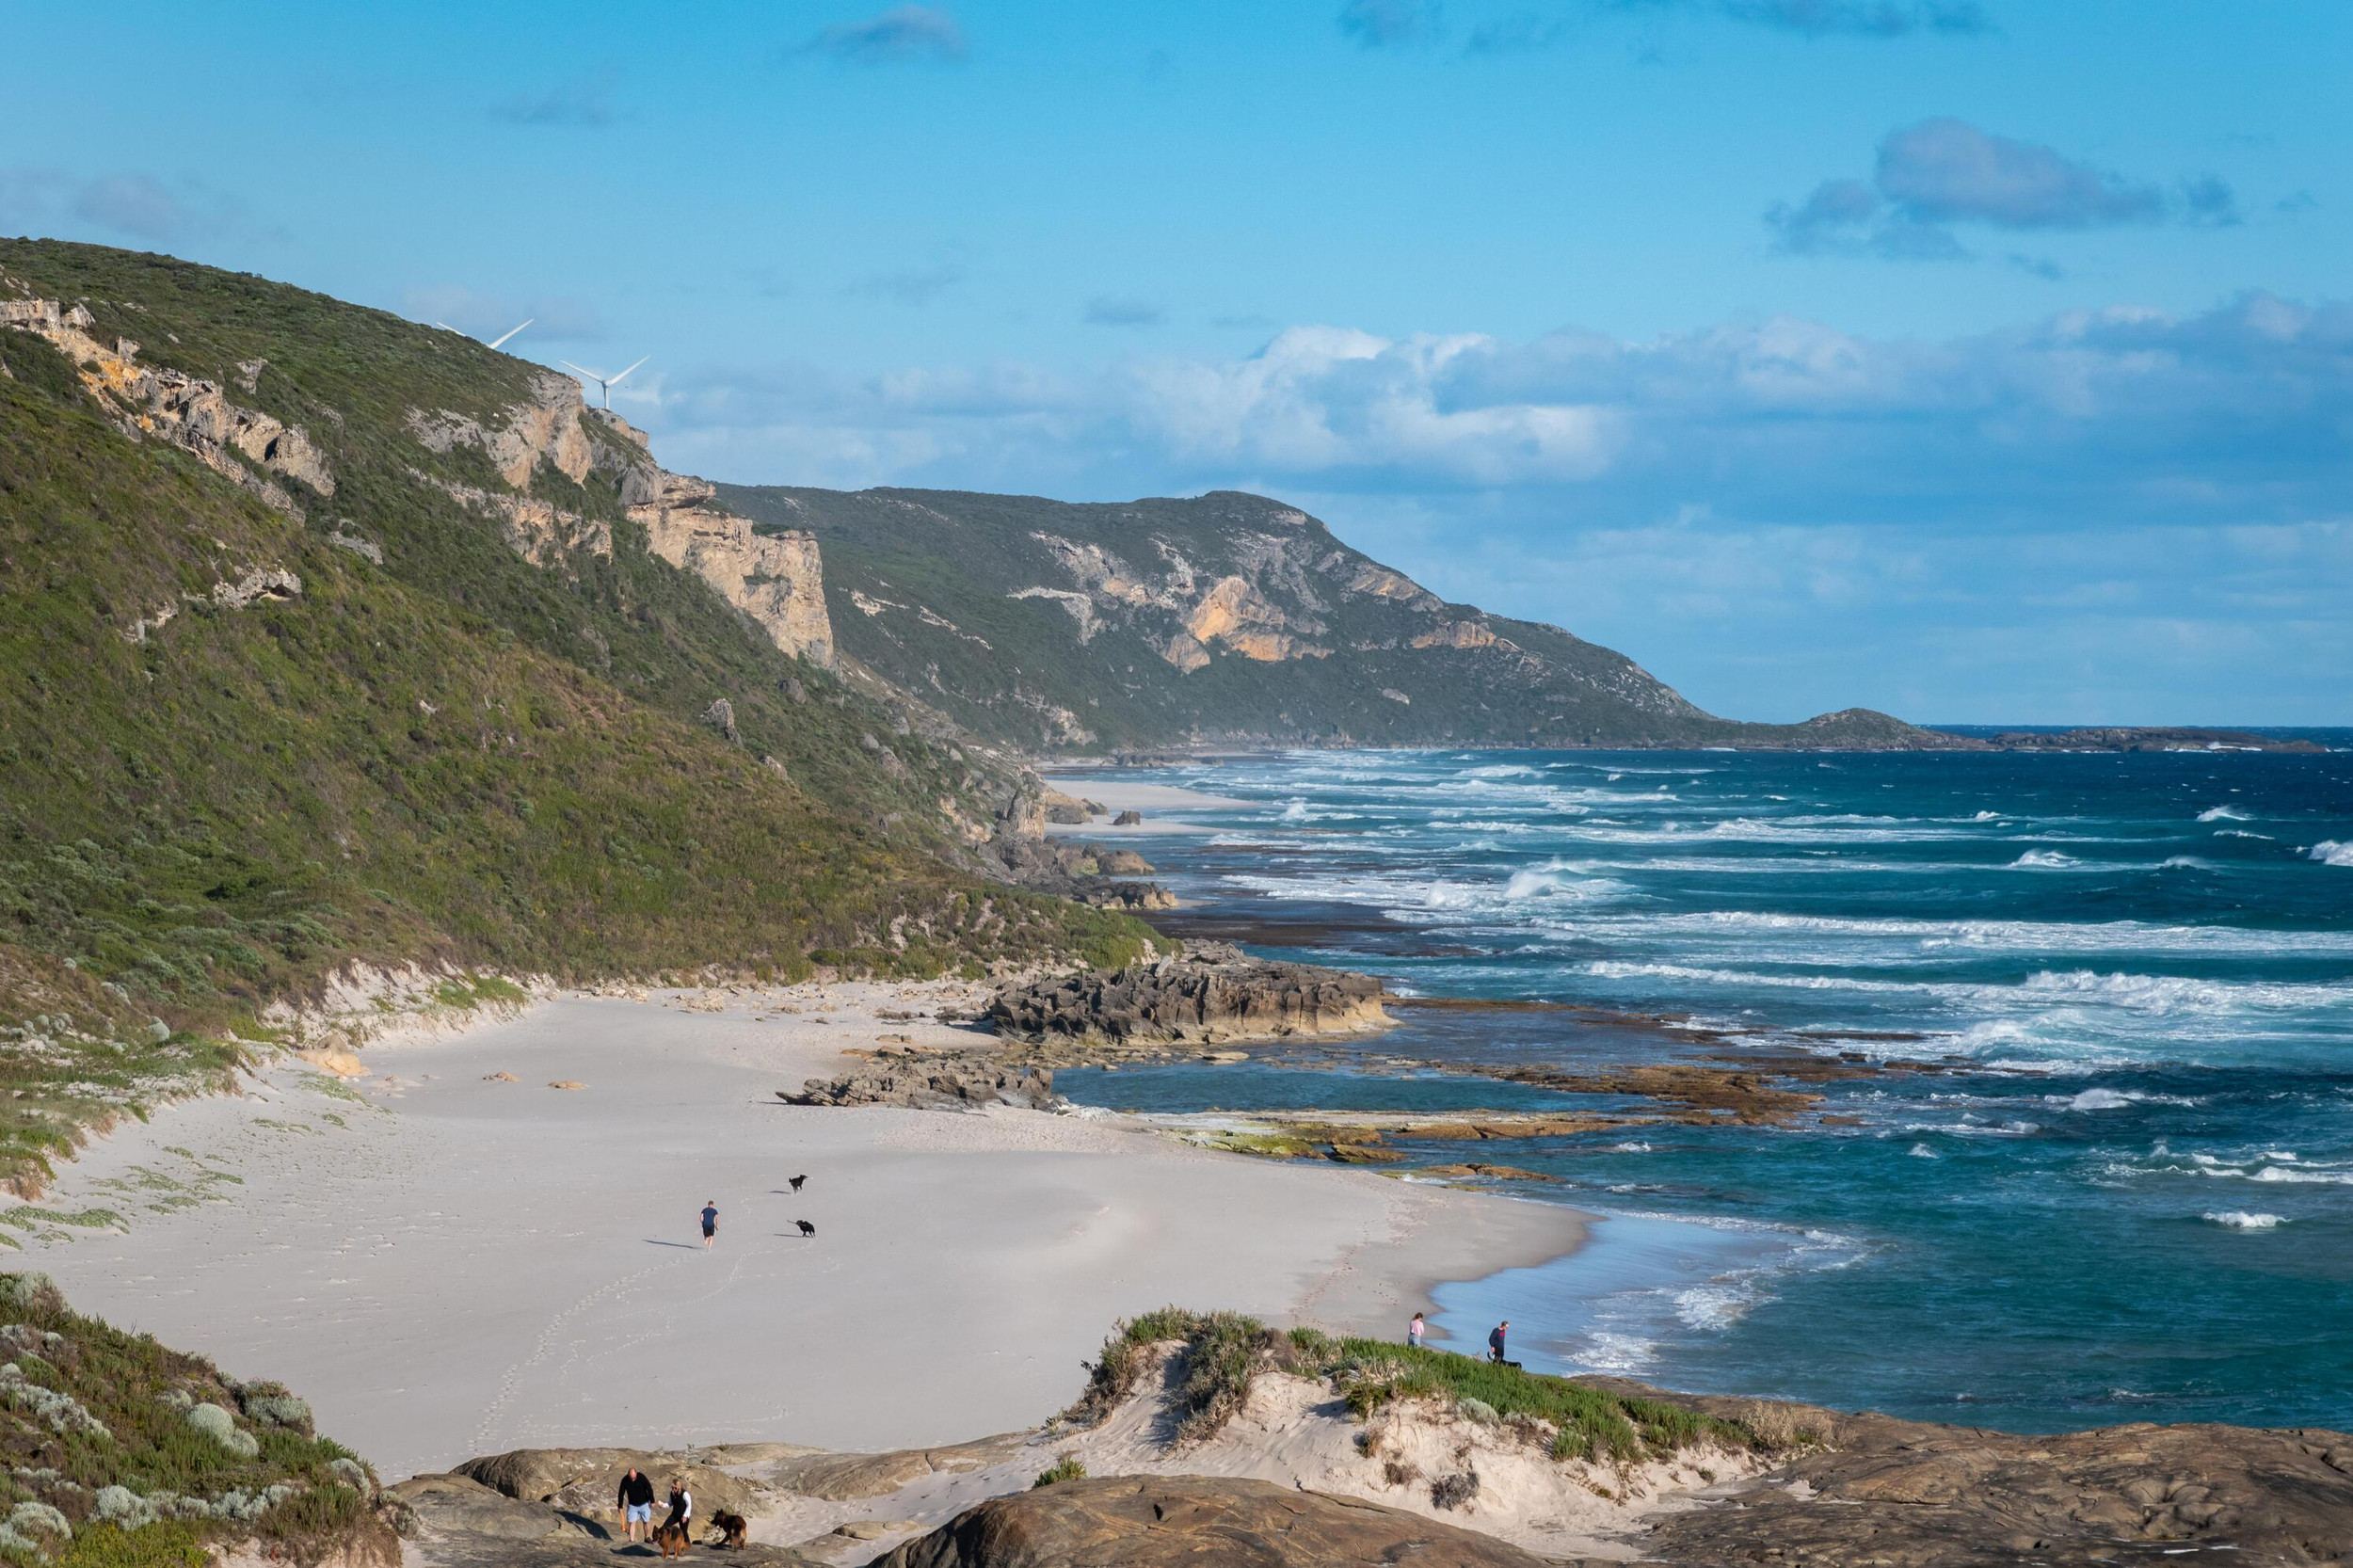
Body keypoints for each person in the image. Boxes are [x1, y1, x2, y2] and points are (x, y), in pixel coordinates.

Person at [616, 1466, 656, 1544]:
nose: (633, 1479)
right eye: (631, 1478)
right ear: (628, 1475)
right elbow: (621, 1493)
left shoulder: (641, 1477)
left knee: (646, 1521)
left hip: (644, 1503)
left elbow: (649, 1488)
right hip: (632, 1505)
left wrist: (652, 1501)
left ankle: (647, 1537)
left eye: (634, 1477)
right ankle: (631, 1540)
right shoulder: (625, 1480)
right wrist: (620, 1506)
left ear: (636, 1473)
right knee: (632, 1522)